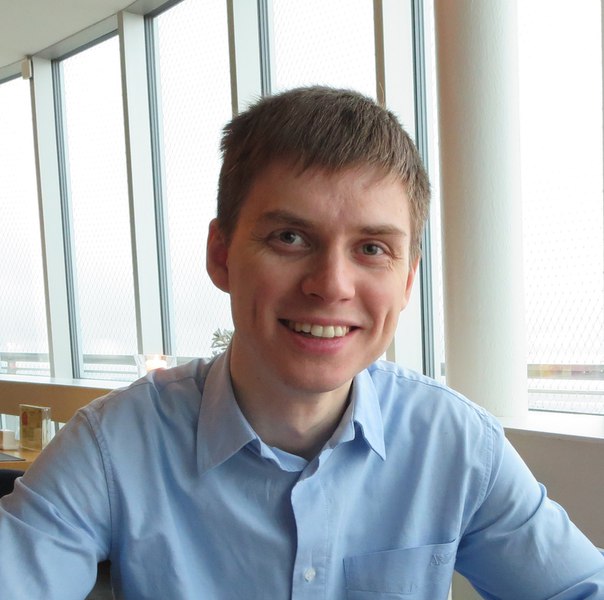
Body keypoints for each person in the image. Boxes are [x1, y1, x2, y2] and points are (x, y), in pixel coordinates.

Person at [1, 86, 603, 600]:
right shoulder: (114, 446)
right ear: (221, 256)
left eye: (372, 248)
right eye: (290, 237)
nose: (331, 285)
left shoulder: (457, 445)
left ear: (407, 280)